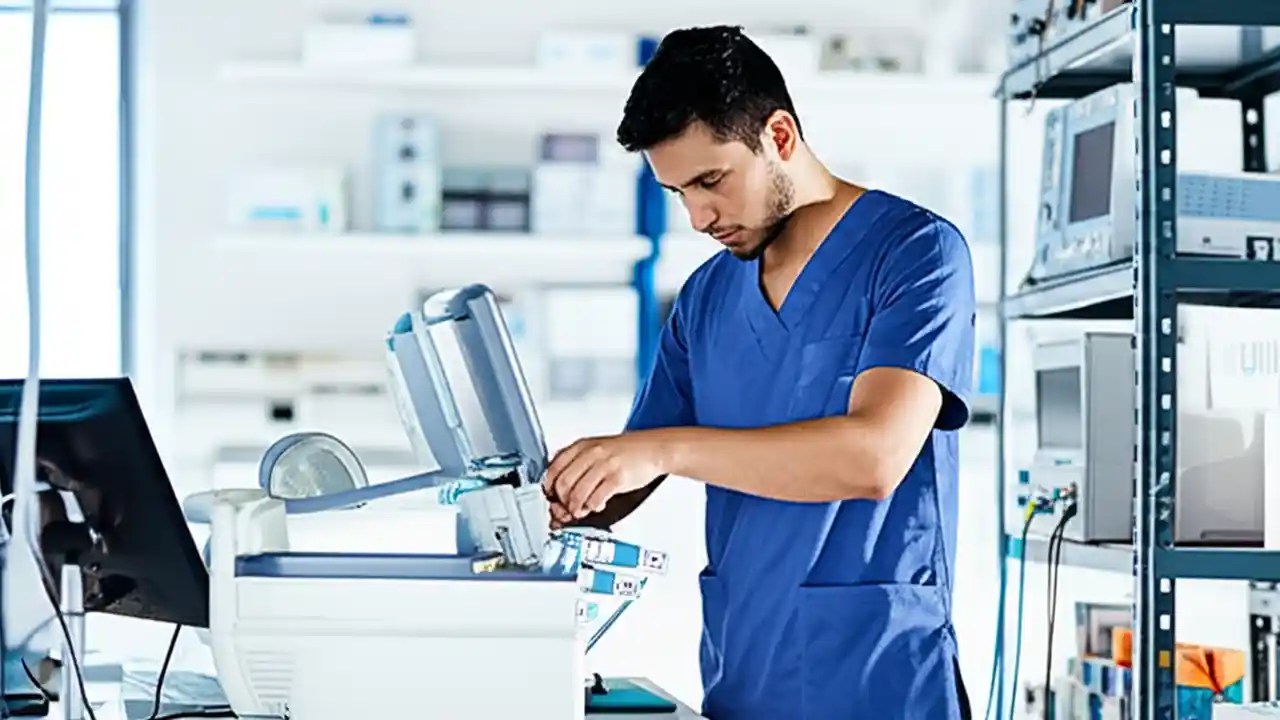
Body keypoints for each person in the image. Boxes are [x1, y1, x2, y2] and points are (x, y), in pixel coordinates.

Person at [542, 25, 976, 720]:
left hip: (876, 683)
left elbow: (874, 457)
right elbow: (635, 471)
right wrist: (555, 491)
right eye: (678, 192)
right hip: (742, 680)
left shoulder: (916, 255)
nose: (698, 216)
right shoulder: (708, 298)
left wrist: (663, 450)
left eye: (711, 181)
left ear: (778, 135)